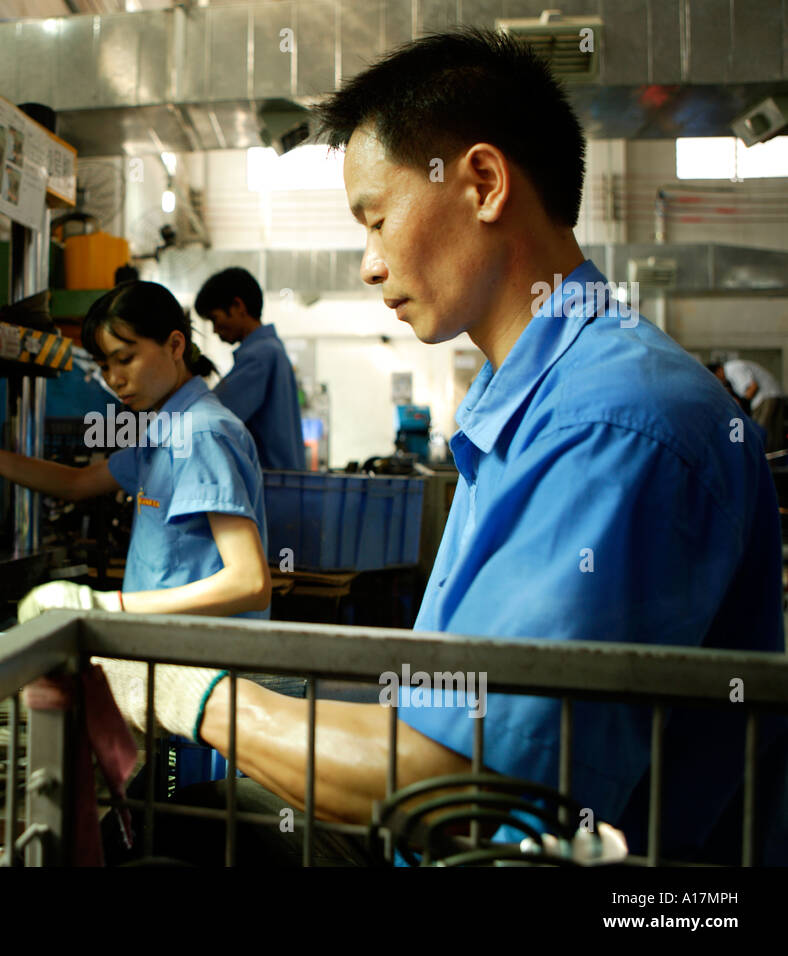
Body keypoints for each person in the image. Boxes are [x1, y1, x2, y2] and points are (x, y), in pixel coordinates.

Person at [95, 28, 786, 866]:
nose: (369, 265)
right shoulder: (540, 400)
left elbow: (454, 781)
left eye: (377, 219)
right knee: (185, 818)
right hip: (443, 833)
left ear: (484, 184)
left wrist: (182, 692)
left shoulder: (612, 424)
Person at [0, 280, 272, 621]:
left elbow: (250, 583)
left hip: (203, 664)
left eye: (126, 358)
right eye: (105, 365)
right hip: (169, 652)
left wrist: (106, 606)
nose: (115, 379)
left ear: (175, 345)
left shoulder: (201, 434)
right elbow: (77, 483)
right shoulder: (167, 430)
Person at [194, 268, 306, 471]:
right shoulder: (272, 349)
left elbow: (211, 416)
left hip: (270, 485)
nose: (215, 329)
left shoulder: (259, 355)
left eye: (214, 318)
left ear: (238, 306)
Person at [709, 359, 785, 452]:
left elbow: (752, 387)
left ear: (719, 370)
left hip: (766, 397)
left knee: (760, 432)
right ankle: (773, 462)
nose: (719, 381)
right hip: (773, 394)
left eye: (716, 377)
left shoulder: (732, 368)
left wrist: (739, 406)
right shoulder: (731, 373)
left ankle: (764, 461)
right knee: (774, 434)